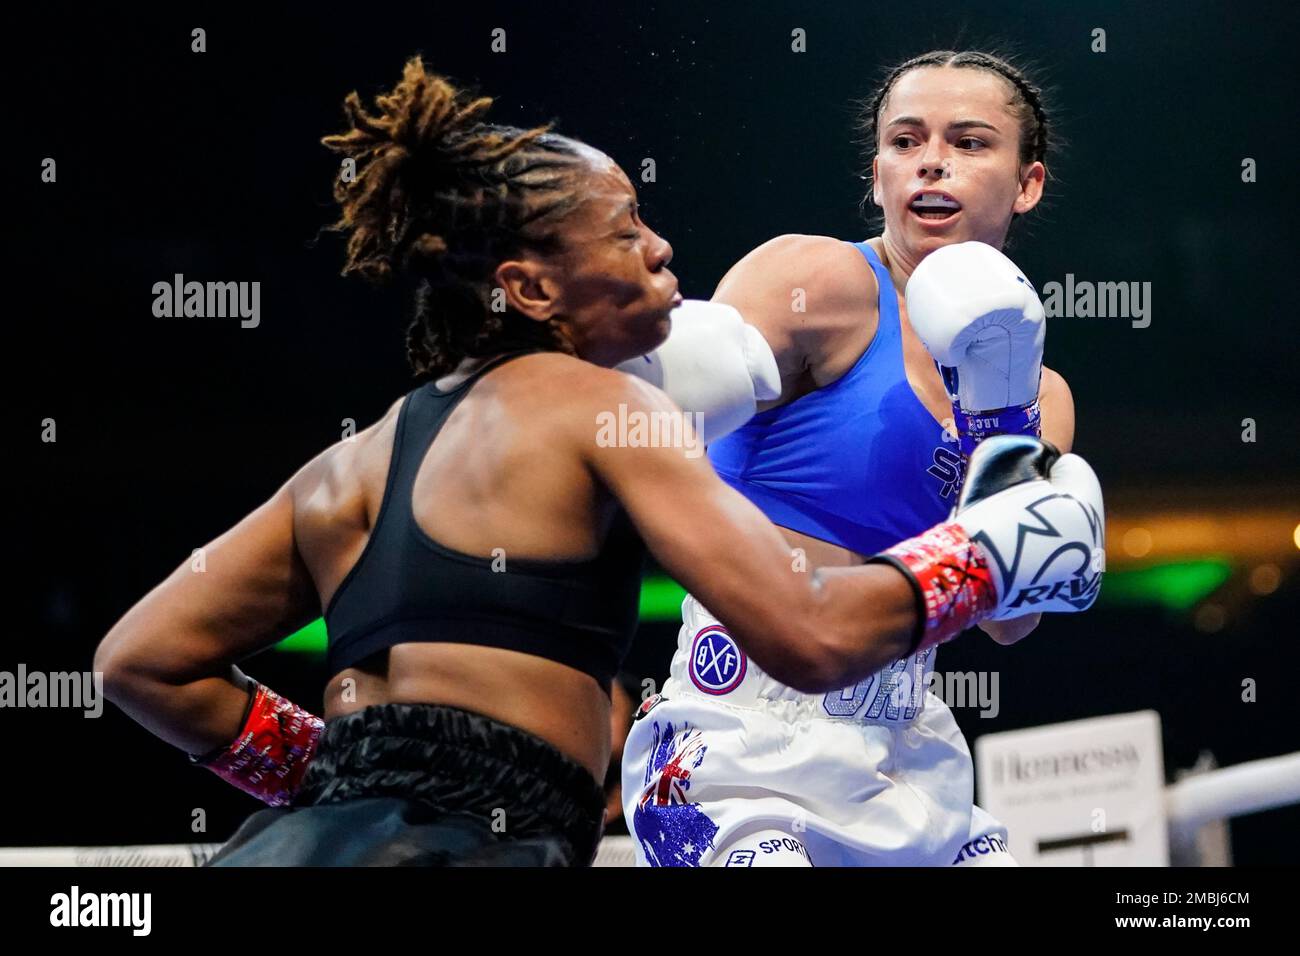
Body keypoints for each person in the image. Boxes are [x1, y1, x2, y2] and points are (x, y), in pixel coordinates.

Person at [94, 56, 1101, 867]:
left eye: (967, 142)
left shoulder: (359, 455)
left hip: (320, 841)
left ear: (1026, 178)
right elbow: (806, 631)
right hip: (608, 798)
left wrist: (353, 787)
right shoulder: (614, 409)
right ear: (532, 285)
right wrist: (988, 550)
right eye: (627, 232)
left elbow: (138, 661)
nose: (665, 250)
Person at [620, 50, 1086, 866]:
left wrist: (999, 419)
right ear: (878, 176)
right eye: (907, 141)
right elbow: (660, 398)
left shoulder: (1042, 393)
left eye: (970, 142)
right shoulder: (818, 280)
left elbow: (1013, 621)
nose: (932, 159)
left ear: (1028, 183)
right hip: (742, 743)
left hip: (909, 752)